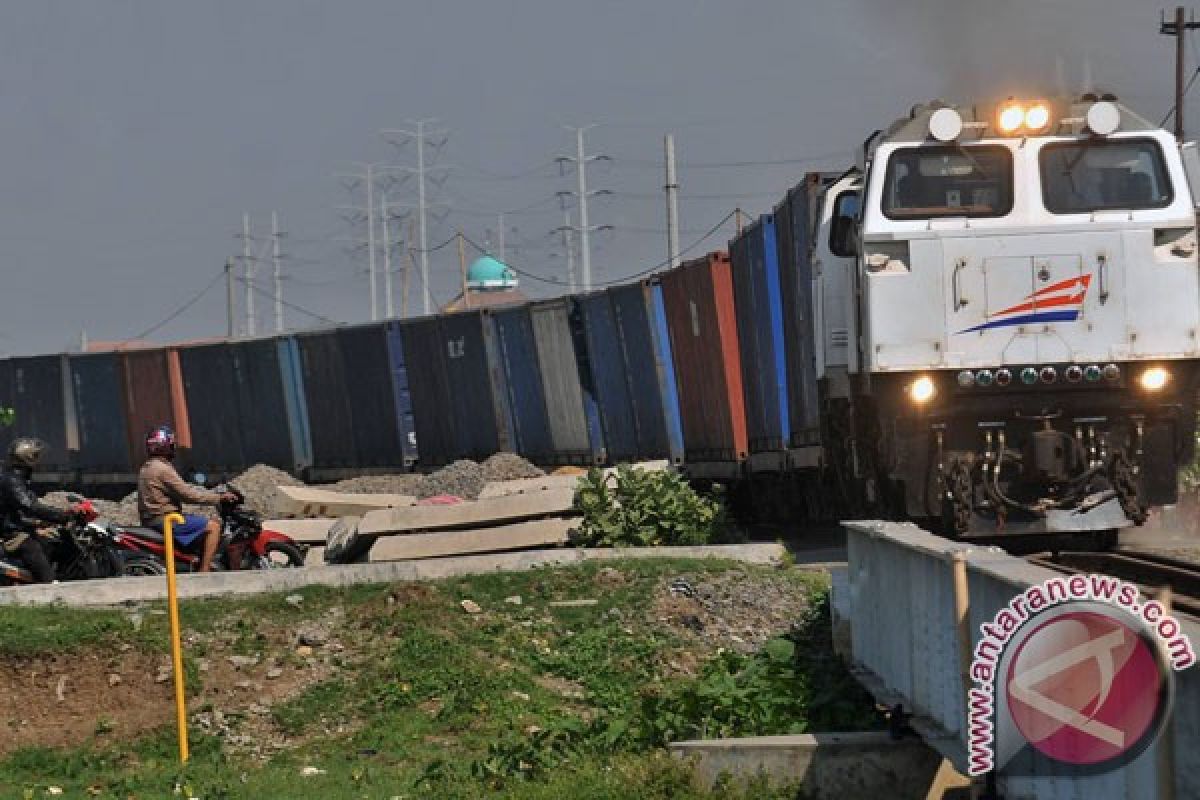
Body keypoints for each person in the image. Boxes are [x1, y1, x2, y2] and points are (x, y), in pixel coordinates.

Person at [137, 425, 235, 572]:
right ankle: (204, 572)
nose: (174, 448)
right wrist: (219, 498)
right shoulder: (162, 469)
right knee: (213, 527)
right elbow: (188, 495)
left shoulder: (148, 467)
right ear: (165, 446)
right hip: (165, 519)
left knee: (198, 522)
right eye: (171, 445)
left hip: (153, 519)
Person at [0, 438, 80, 582]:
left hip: (19, 527)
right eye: (36, 456)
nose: (39, 461)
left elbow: (32, 505)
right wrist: (61, 516)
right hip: (11, 534)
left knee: (53, 542)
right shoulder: (13, 480)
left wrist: (48, 519)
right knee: (33, 549)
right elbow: (29, 506)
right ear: (27, 458)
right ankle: (50, 586)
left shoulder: (20, 479)